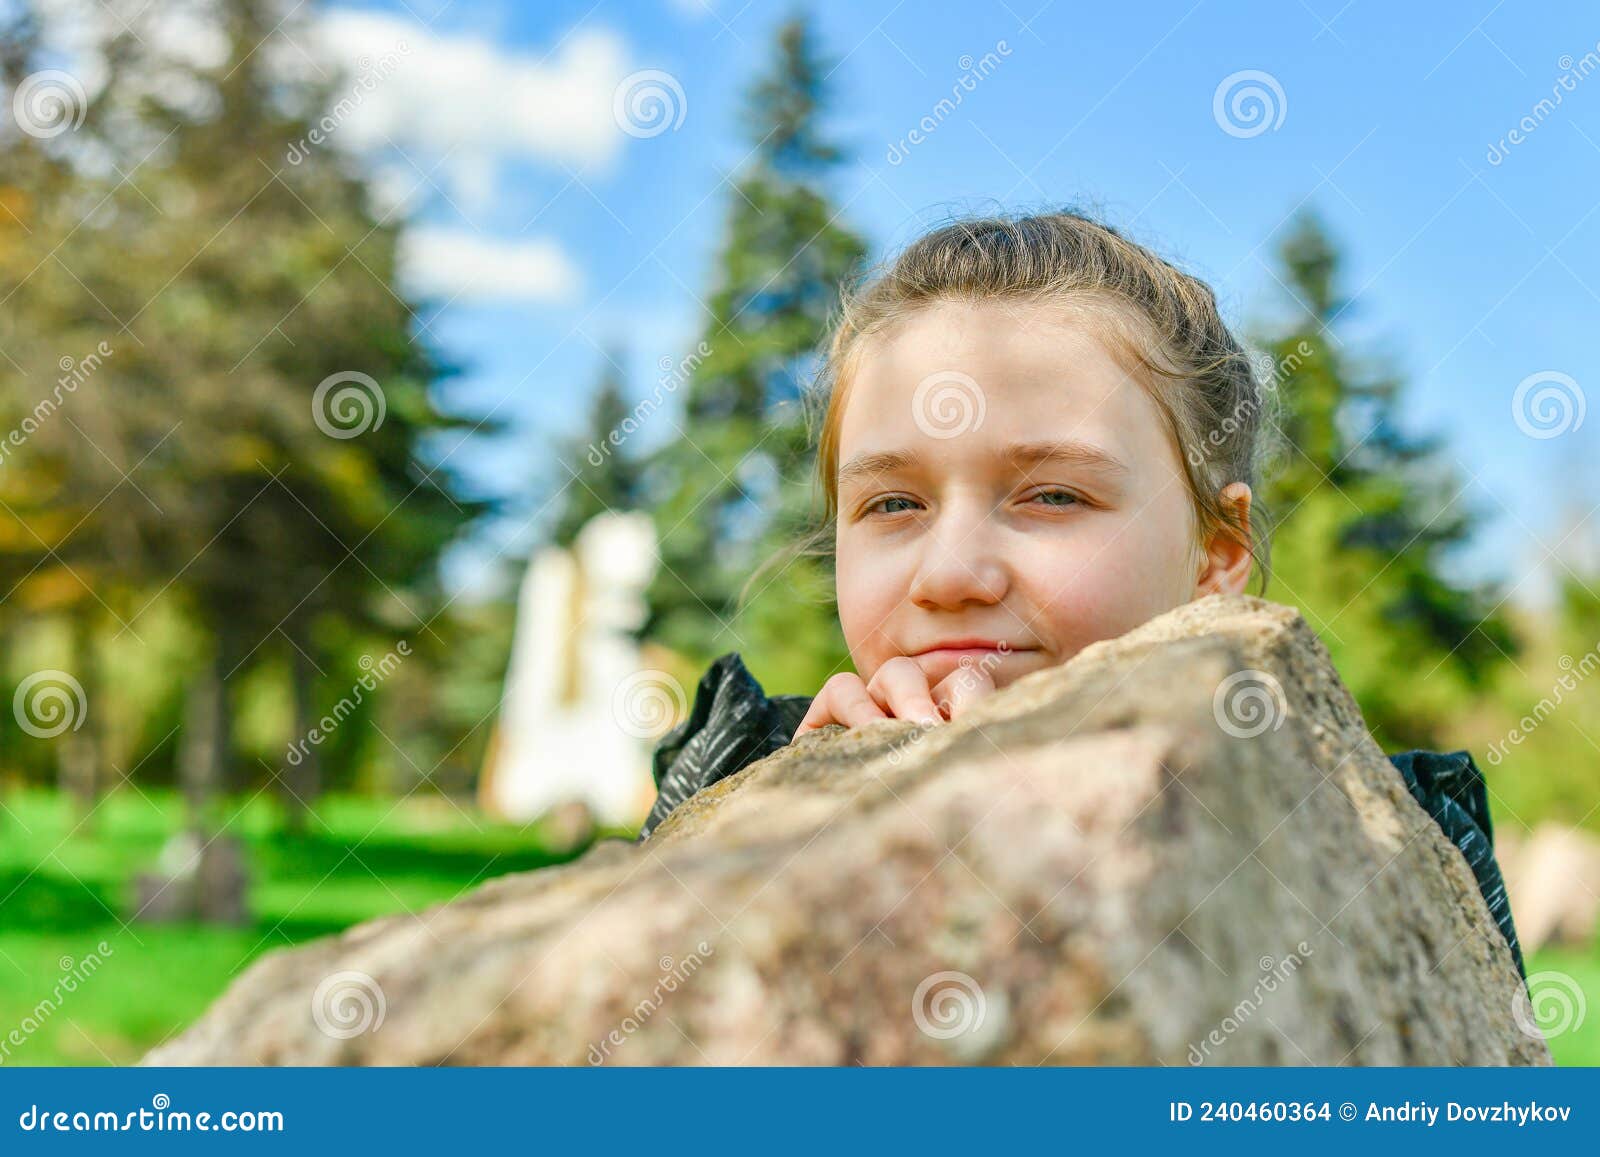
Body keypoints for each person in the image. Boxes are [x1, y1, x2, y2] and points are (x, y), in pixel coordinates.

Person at [634, 209, 1525, 982]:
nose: (949, 574)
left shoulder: (1387, 838)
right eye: (893, 502)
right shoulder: (734, 771)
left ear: (1216, 552)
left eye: (1053, 495)